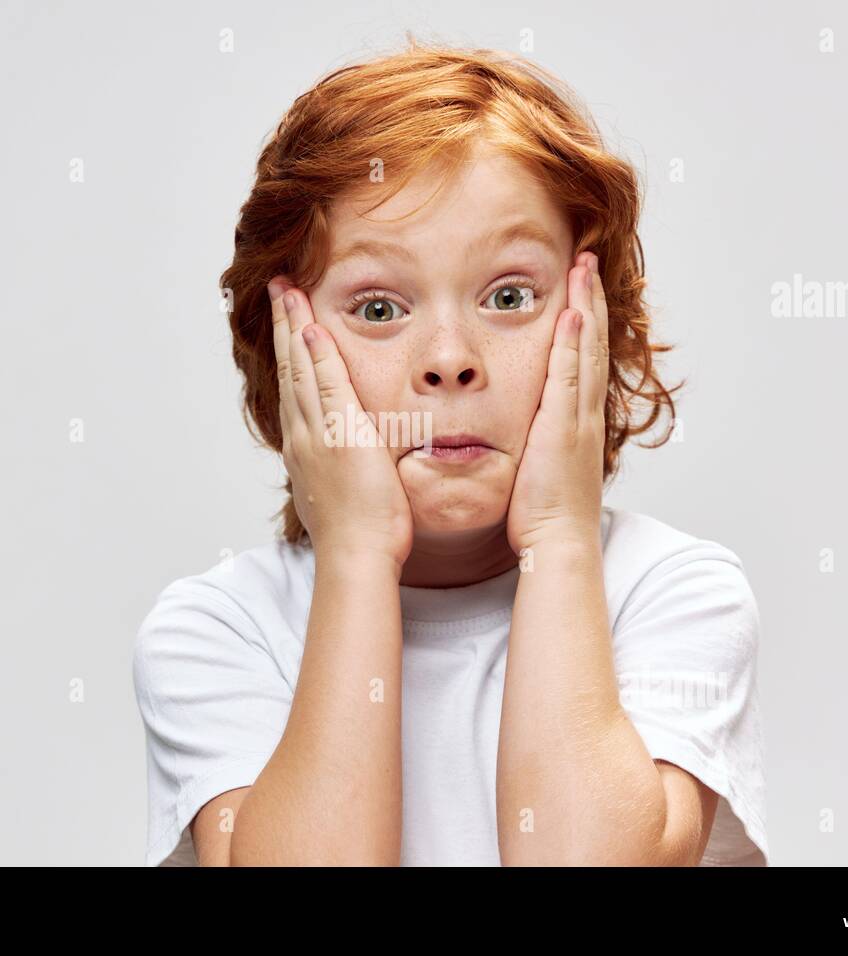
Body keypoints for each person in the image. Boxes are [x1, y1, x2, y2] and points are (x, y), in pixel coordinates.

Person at [132, 40, 767, 866]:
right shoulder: (219, 630)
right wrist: (357, 553)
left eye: (509, 296)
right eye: (379, 306)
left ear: (598, 323)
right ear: (285, 349)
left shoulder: (673, 595)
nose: (449, 357)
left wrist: (559, 538)